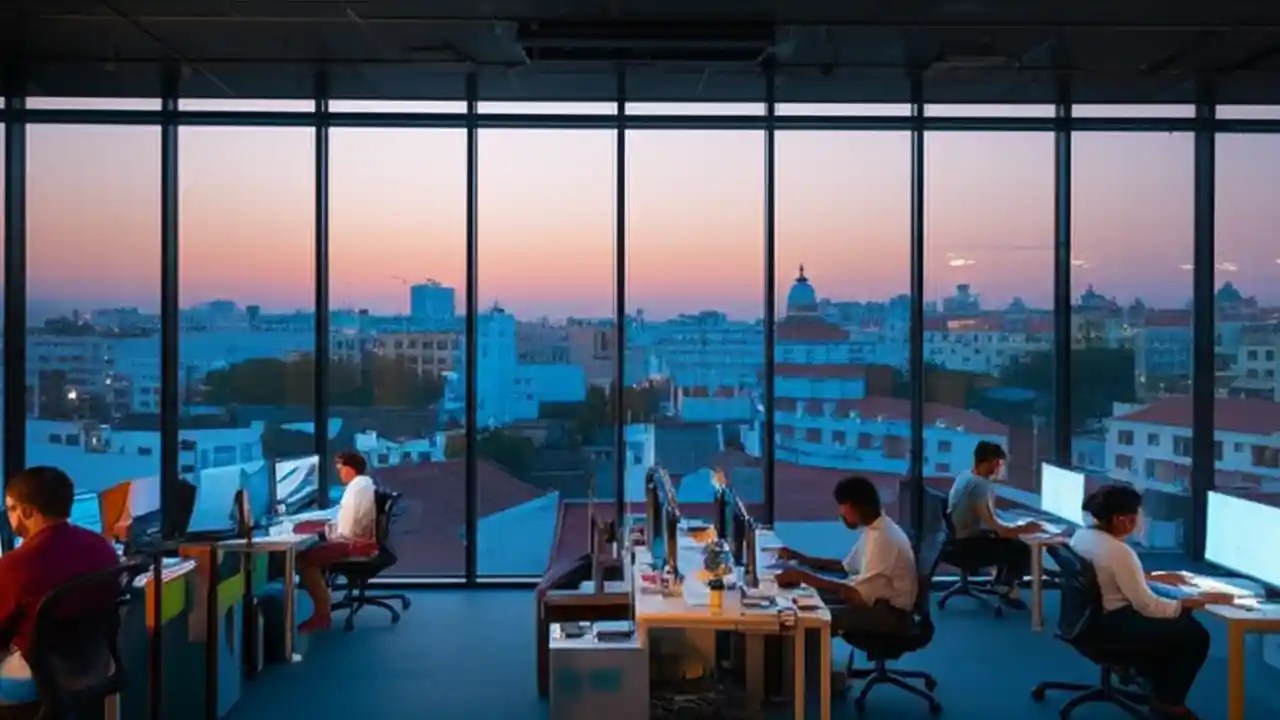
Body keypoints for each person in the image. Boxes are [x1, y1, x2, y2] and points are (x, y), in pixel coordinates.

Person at [1070, 484, 1233, 720]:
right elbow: (1147, 605)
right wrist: (1193, 600)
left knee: (1178, 623)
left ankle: (1140, 674)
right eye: (1138, 513)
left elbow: (1108, 576)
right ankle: (1168, 702)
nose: (1141, 519)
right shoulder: (1119, 551)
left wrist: (1148, 577)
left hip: (1088, 621)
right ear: (1120, 519)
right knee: (1195, 635)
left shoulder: (1084, 536)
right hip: (1109, 626)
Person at [0, 467, 121, 706]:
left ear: (25, 510)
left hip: (40, 678)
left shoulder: (17, 565)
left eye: (10, 508)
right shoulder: (101, 547)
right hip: (95, 667)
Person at [774, 475, 918, 635]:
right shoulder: (876, 528)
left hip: (890, 615)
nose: (841, 512)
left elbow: (857, 596)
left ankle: (806, 659)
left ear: (858, 508)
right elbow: (845, 567)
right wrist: (801, 558)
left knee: (810, 619)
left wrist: (804, 577)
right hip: (875, 602)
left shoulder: (883, 540)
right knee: (804, 599)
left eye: (844, 507)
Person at [946, 440, 1042, 609]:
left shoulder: (965, 476)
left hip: (956, 539)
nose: (998, 468)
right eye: (997, 463)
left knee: (1004, 539)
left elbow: (987, 520)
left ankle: (1000, 582)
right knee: (1020, 548)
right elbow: (997, 528)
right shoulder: (979, 485)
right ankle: (1004, 588)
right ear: (988, 462)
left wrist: (1012, 527)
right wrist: (1026, 529)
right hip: (966, 545)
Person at [297, 451, 378, 633]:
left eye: (340, 469)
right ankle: (322, 606)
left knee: (304, 559)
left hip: (356, 545)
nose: (339, 473)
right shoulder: (365, 483)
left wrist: (327, 531)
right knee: (316, 548)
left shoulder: (354, 489)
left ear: (349, 469)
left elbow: (346, 531)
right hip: (363, 541)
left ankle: (321, 614)